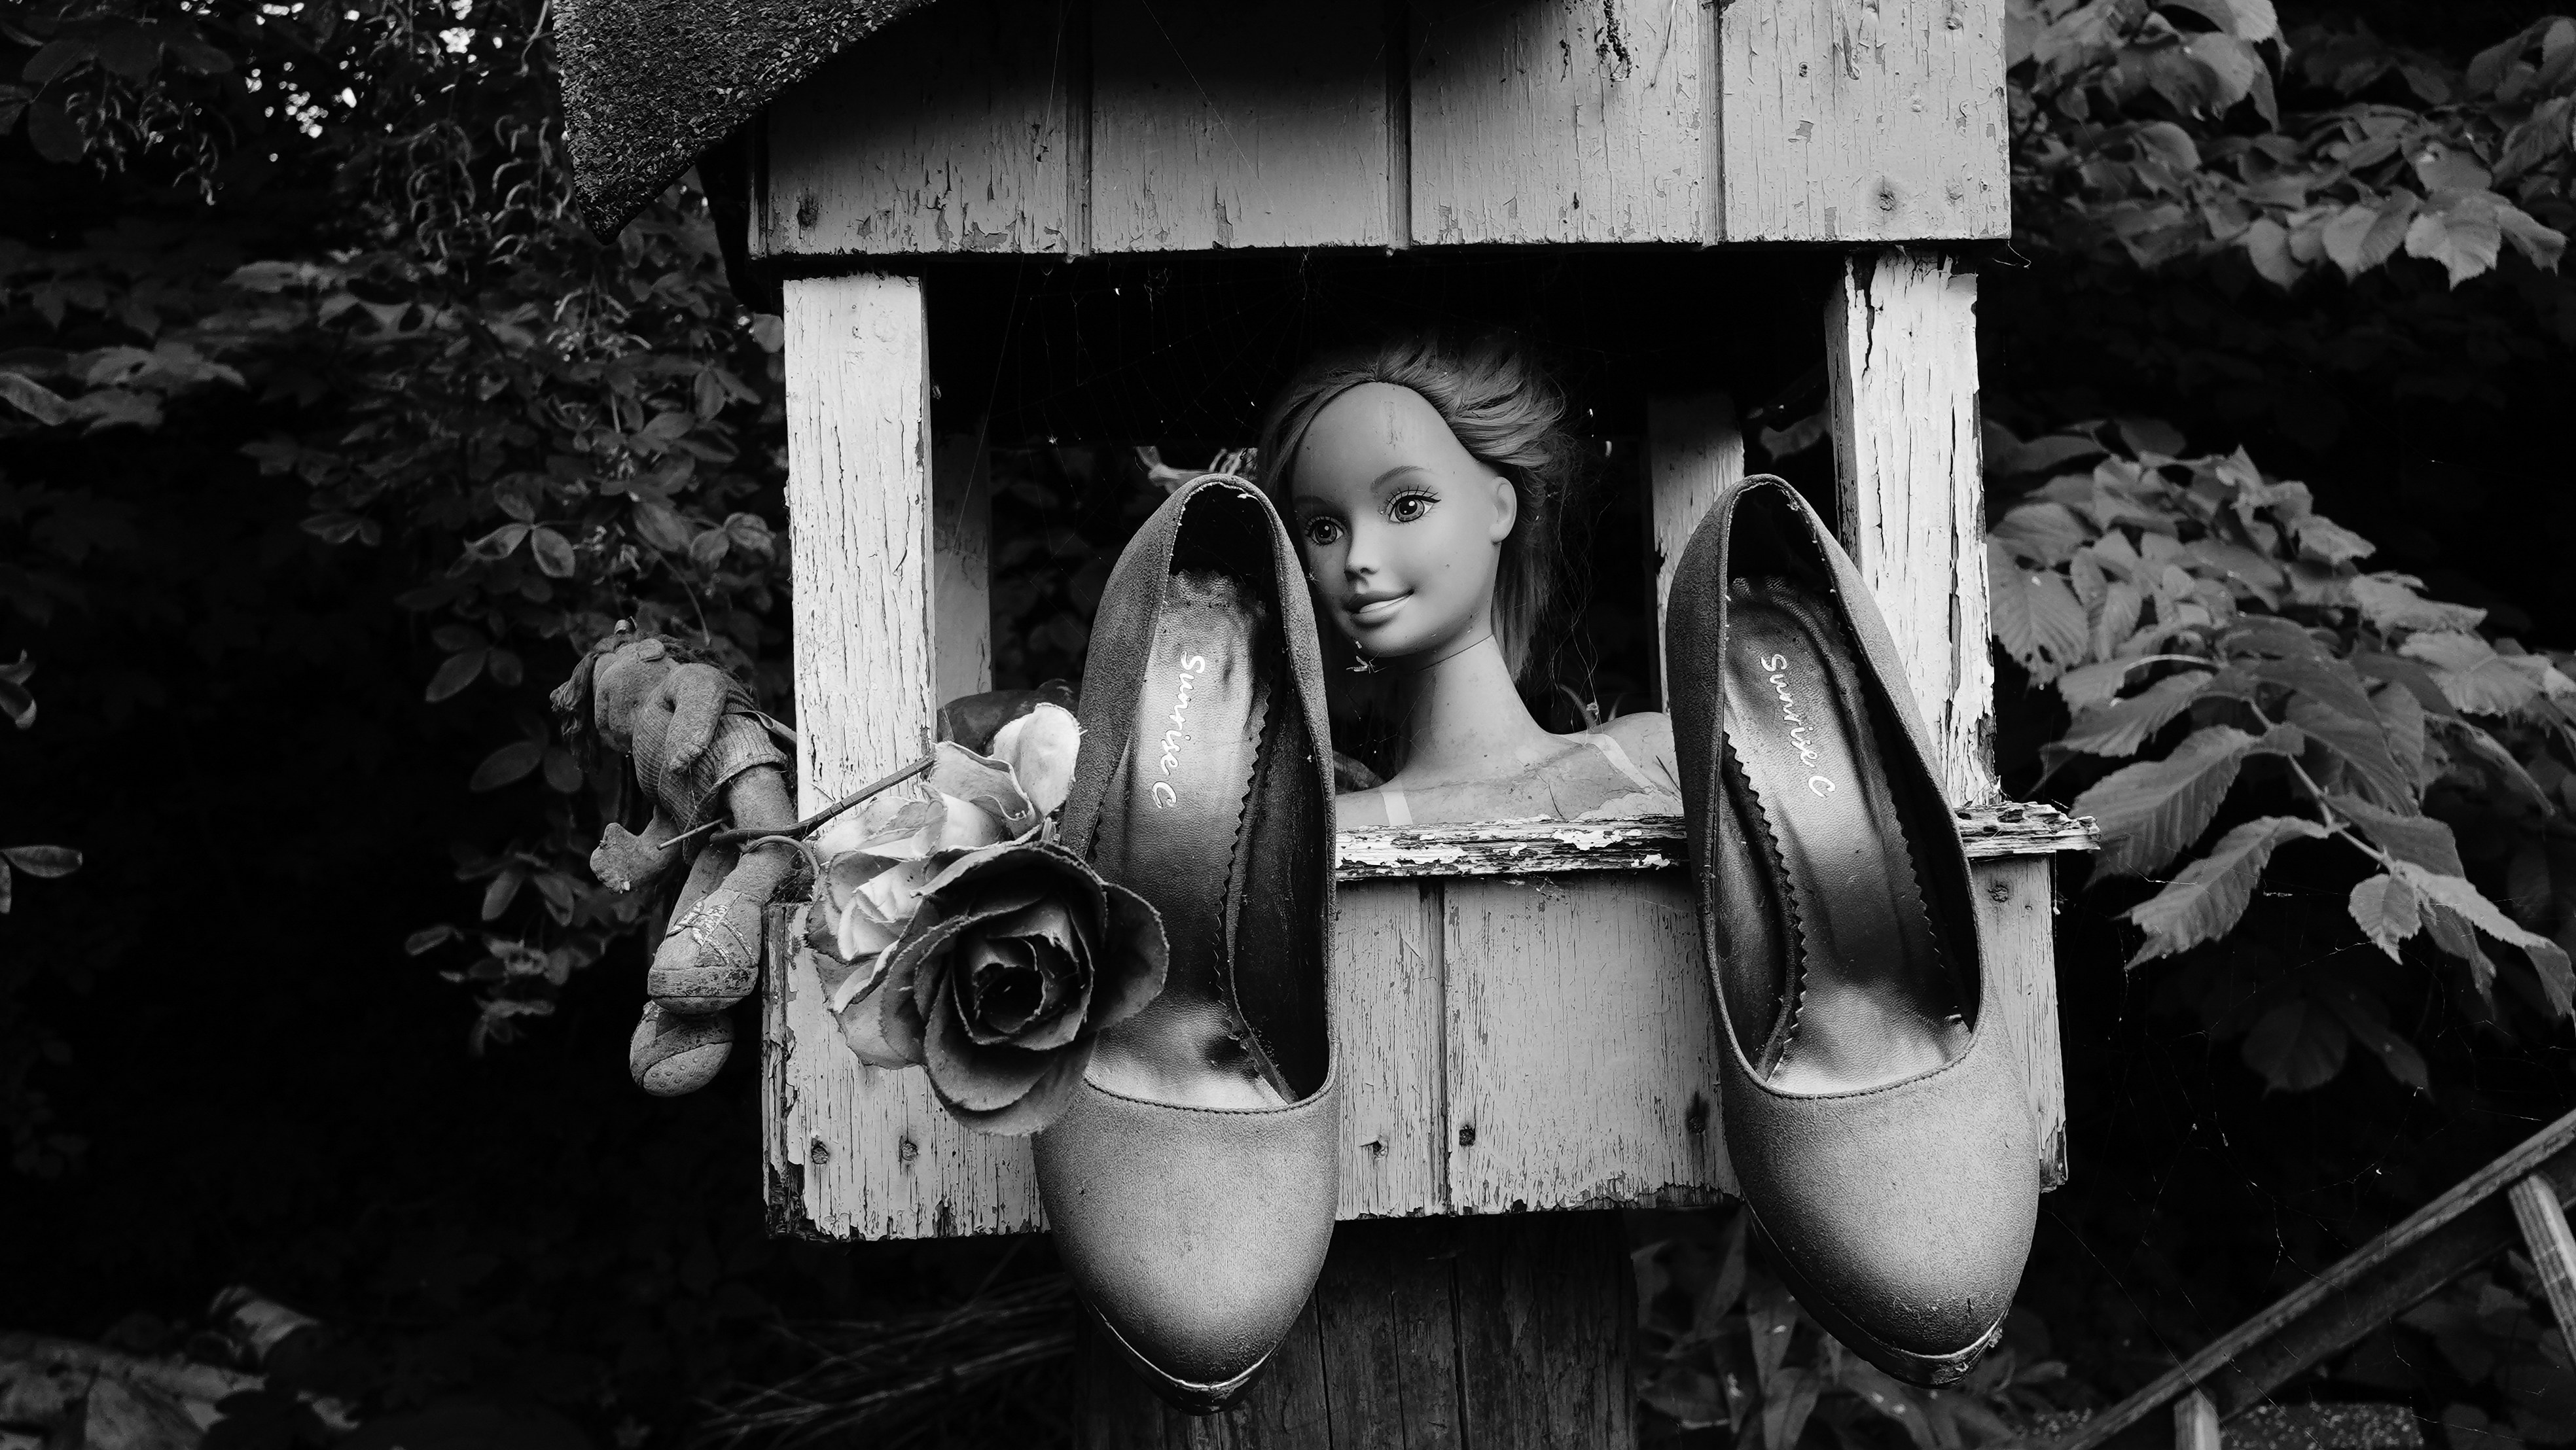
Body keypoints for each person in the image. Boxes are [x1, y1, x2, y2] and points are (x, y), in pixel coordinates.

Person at [1256, 332, 1680, 828]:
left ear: (1499, 508)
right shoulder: (1328, 830)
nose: (1358, 559)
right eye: (1324, 529)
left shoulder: (1657, 757)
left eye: (1407, 505)